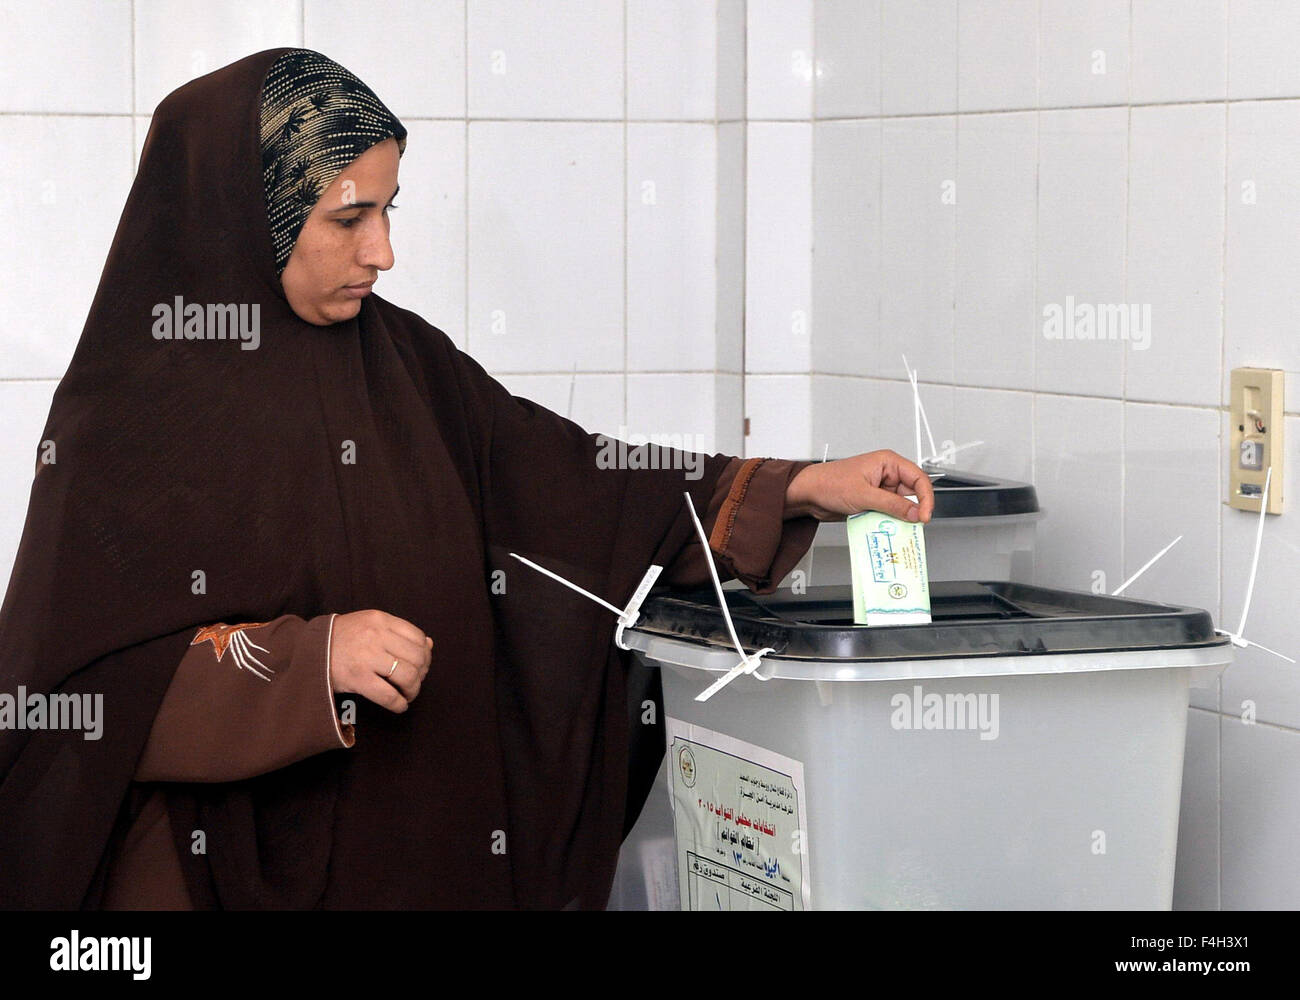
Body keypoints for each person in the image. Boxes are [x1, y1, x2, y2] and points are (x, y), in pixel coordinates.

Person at [0, 48, 933, 910]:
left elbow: (580, 484)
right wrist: (306, 665)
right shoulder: (129, 417)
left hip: (414, 858)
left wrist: (806, 487)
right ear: (251, 216)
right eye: (348, 217)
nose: (383, 252)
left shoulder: (406, 364)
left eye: (389, 210)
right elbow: (70, 709)